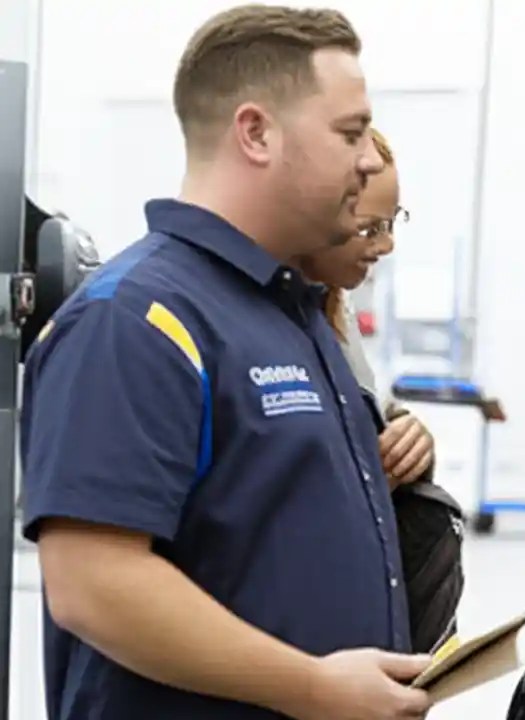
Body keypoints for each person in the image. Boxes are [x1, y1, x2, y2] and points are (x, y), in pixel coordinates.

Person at [19, 6, 435, 719]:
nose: (370, 158)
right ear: (256, 132)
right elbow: (93, 583)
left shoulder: (294, 312)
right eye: (349, 131)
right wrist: (314, 689)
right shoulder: (137, 320)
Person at [298, 126, 467, 657]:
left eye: (393, 224)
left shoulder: (331, 306)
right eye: (371, 227)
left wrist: (409, 436)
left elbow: (366, 408)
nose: (387, 244)